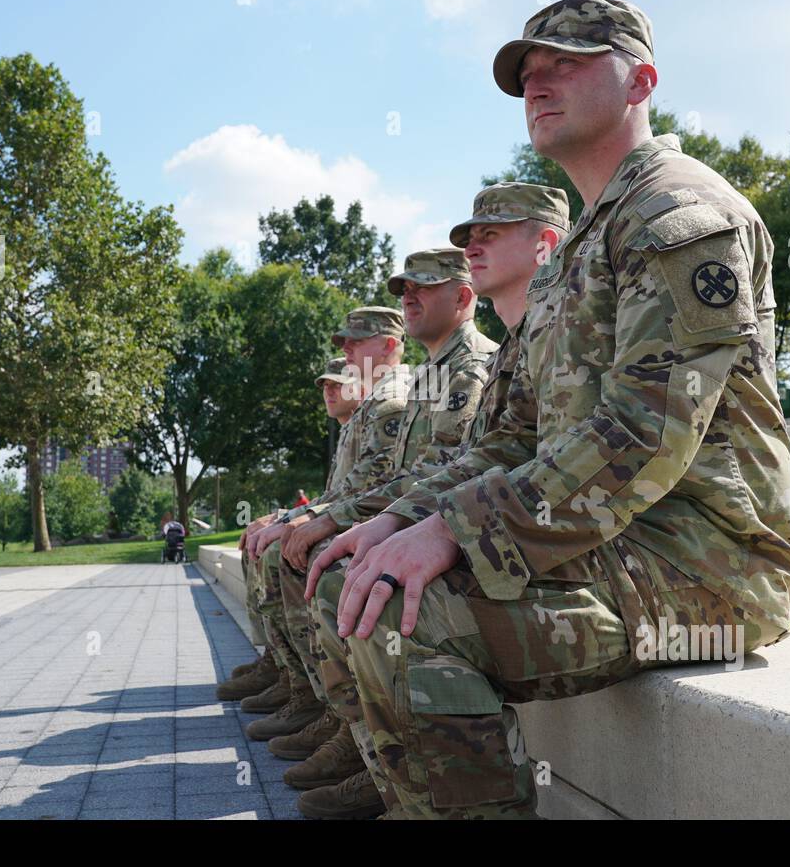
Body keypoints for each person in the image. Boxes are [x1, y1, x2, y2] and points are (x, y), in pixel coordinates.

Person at [305, 0, 790, 819]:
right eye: (529, 75)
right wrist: (399, 520)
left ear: (641, 80)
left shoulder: (676, 215)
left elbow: (647, 435)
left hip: (705, 566)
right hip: (610, 541)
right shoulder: (580, 249)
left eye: (566, 64)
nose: (538, 84)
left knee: (401, 616)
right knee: (357, 578)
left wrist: (458, 530)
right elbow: (512, 437)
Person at [282, 192, 568, 818]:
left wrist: (425, 526)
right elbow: (468, 462)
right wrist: (383, 519)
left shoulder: (484, 364)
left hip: (559, 538)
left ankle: (398, 780)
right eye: (406, 289)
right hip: (500, 518)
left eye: (425, 287)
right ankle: (388, 774)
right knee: (349, 573)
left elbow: (502, 463)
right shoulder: (499, 357)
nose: (410, 297)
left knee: (377, 595)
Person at [237, 308, 410, 734]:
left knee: (293, 553)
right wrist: (293, 516)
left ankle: (337, 719)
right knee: (272, 541)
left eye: (355, 342)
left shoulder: (391, 400)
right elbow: (345, 490)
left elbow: (374, 488)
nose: (345, 350)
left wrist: (306, 519)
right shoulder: (373, 403)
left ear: (389, 345)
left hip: (393, 530)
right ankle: (295, 680)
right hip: (376, 521)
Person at [217, 350, 368, 704]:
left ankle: (309, 691)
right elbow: (335, 493)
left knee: (280, 551)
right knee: (256, 537)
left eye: (338, 385)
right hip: (346, 515)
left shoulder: (377, 418)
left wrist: (291, 521)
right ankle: (280, 663)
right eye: (325, 387)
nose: (329, 392)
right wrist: (282, 516)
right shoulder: (348, 430)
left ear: (358, 387)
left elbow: (363, 491)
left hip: (363, 525)